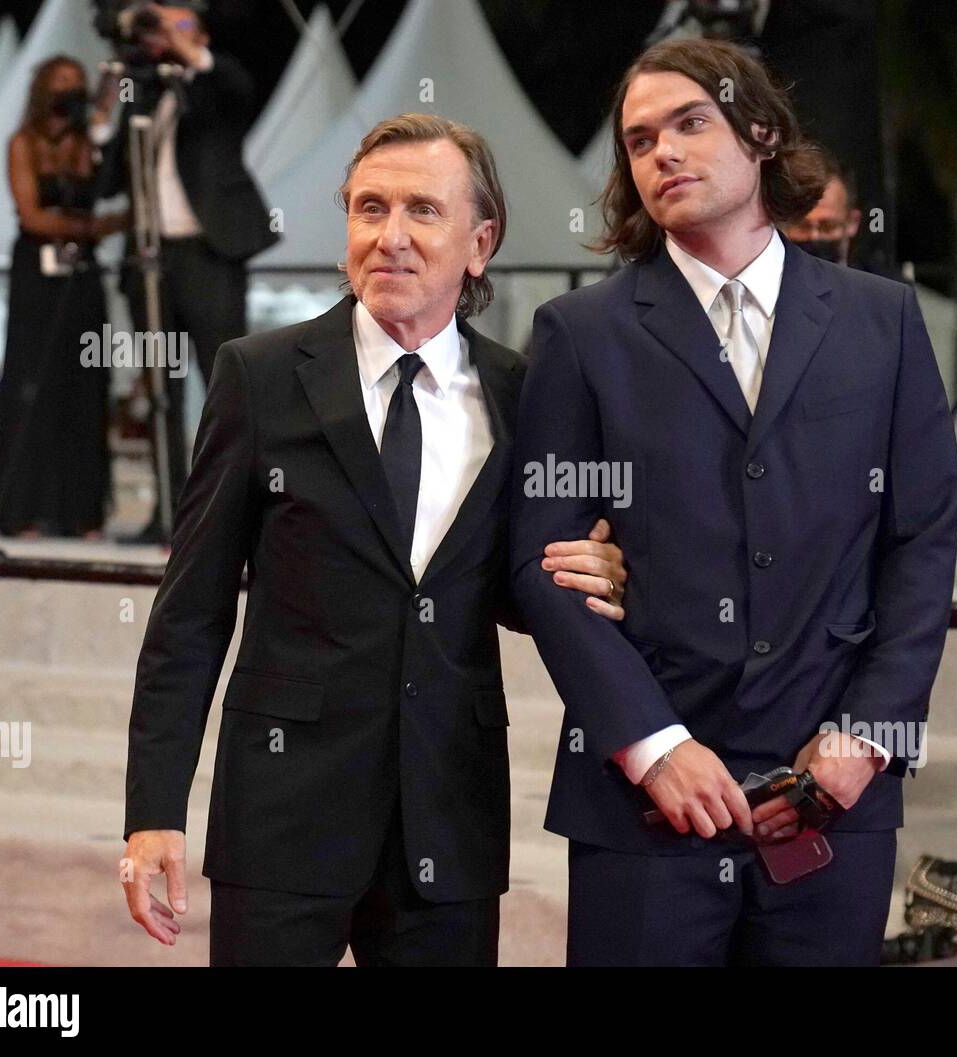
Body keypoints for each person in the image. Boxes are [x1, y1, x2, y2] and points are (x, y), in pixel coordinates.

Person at [121, 113, 632, 967]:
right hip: (283, 819)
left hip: (450, 819)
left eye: (421, 211)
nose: (389, 236)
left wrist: (592, 568)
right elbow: (191, 614)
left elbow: (512, 582)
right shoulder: (261, 374)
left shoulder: (522, 392)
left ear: (480, 242)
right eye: (368, 208)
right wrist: (152, 811)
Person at [510, 37, 957, 966]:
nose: (662, 153)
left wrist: (870, 733)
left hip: (834, 794)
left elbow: (921, 538)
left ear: (760, 132)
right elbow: (542, 561)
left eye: (689, 123)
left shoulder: (884, 319)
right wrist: (651, 743)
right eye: (639, 141)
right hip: (643, 809)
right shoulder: (579, 334)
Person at [95, 2, 279, 542]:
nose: (163, 34)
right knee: (158, 387)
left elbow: (235, 89)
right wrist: (109, 108)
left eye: (177, 23)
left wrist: (183, 48)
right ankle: (169, 514)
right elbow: (107, 181)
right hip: (151, 258)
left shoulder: (214, 84)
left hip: (207, 252)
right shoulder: (144, 91)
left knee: (226, 382)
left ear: (198, 35)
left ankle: (235, 516)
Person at [0, 55, 129, 539]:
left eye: (76, 83)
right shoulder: (22, 143)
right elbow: (31, 216)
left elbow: (108, 186)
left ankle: (82, 511)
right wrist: (93, 228)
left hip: (82, 273)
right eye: (60, 83)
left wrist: (97, 126)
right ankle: (22, 508)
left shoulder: (85, 143)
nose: (68, 91)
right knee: (32, 384)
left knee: (85, 386)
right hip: (36, 274)